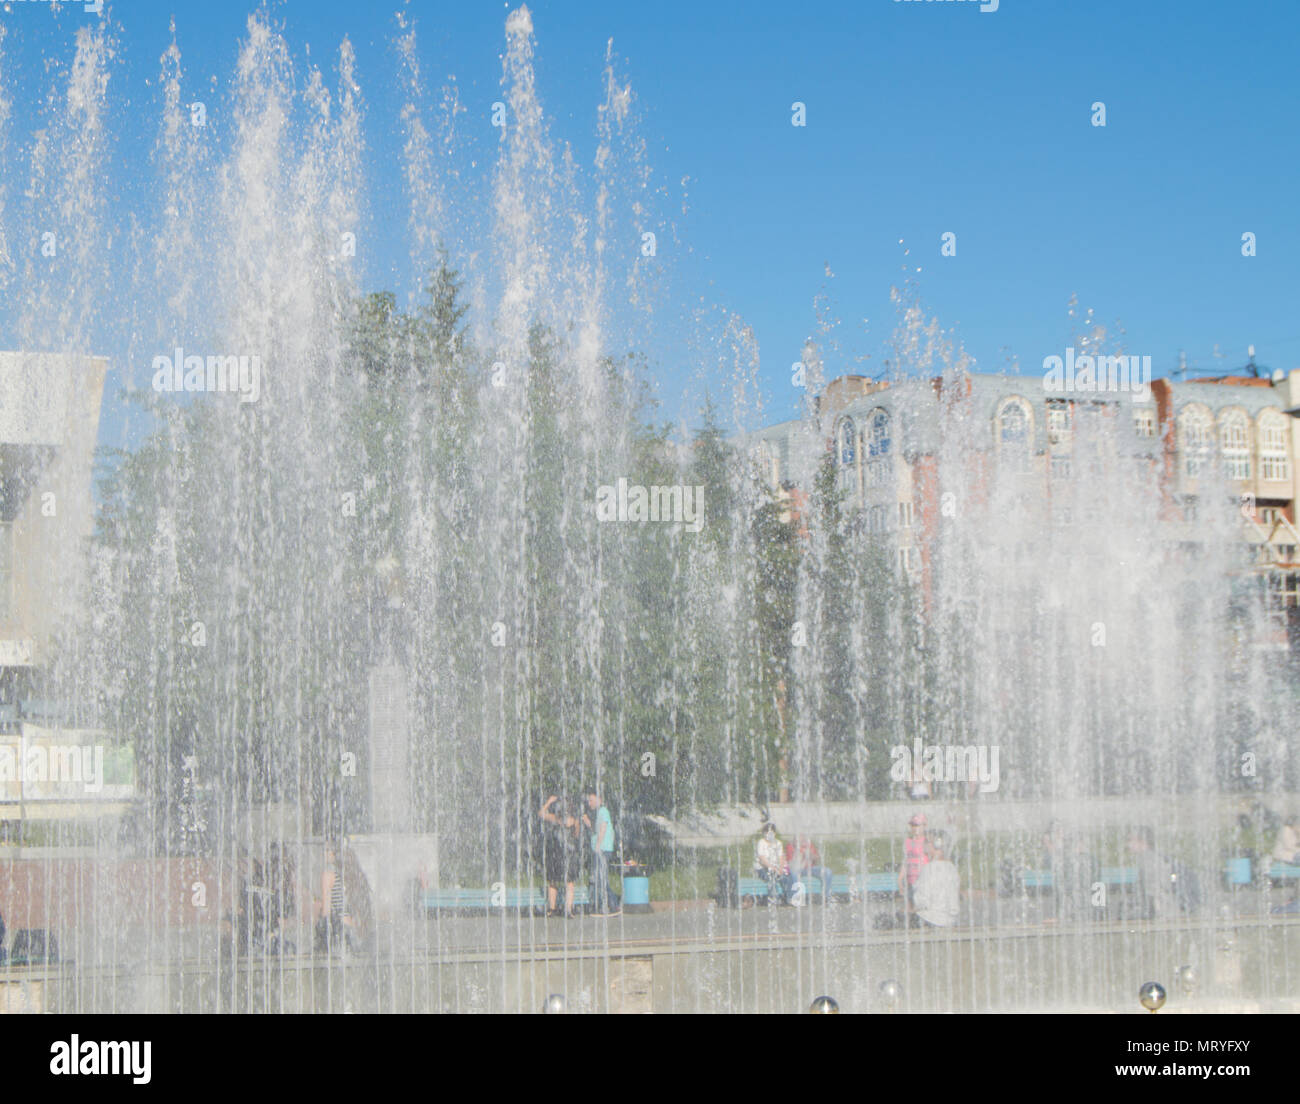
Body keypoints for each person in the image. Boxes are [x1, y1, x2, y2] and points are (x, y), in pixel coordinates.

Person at [540, 795, 581, 918]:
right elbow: (576, 835)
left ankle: (552, 909)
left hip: (556, 853)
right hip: (569, 853)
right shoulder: (574, 820)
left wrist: (549, 801)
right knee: (569, 883)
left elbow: (541, 813)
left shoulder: (555, 819)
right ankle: (569, 910)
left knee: (553, 881)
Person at [582, 788, 621, 916]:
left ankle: (613, 905)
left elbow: (603, 829)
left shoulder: (603, 811)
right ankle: (605, 905)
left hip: (602, 850)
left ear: (599, 800)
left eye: (591, 800)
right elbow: (597, 829)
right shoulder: (599, 812)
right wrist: (589, 824)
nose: (589, 803)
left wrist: (598, 846)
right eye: (589, 801)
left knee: (601, 878)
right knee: (598, 878)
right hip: (600, 849)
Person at [912, 831, 960, 927]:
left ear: (936, 845)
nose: (924, 844)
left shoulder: (929, 868)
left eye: (926, 841)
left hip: (930, 919)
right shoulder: (952, 868)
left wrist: (911, 907)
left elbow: (922, 901)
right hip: (949, 920)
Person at [1126, 827, 1176, 920]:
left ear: (1142, 842)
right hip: (1161, 910)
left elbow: (1153, 893)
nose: (1127, 845)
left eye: (1130, 840)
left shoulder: (1150, 861)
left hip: (1160, 913)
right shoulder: (1148, 859)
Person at [316, 845, 359, 952]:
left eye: (327, 849)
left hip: (338, 929)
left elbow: (326, 910)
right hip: (352, 929)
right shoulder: (348, 872)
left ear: (334, 853)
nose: (324, 853)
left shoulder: (328, 874)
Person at [785, 835, 833, 903]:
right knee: (794, 873)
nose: (800, 842)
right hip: (797, 868)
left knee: (827, 872)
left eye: (802, 840)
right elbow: (791, 863)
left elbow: (816, 858)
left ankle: (826, 897)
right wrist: (801, 852)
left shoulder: (808, 845)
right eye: (797, 840)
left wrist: (810, 855)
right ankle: (793, 898)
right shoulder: (790, 846)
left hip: (810, 868)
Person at [754, 822, 793, 903]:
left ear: (774, 833)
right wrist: (773, 868)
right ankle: (773, 899)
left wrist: (781, 869)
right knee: (771, 878)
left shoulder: (778, 843)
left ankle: (789, 899)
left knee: (786, 878)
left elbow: (781, 857)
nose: (769, 834)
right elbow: (762, 859)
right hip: (762, 869)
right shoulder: (761, 843)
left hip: (776, 868)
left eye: (771, 832)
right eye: (766, 832)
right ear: (764, 833)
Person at [898, 813, 930, 907]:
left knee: (922, 907)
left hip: (923, 881)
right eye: (912, 825)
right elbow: (906, 861)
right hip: (910, 881)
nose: (914, 828)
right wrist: (900, 878)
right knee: (910, 907)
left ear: (924, 826)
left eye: (917, 825)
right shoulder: (908, 842)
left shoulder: (927, 841)